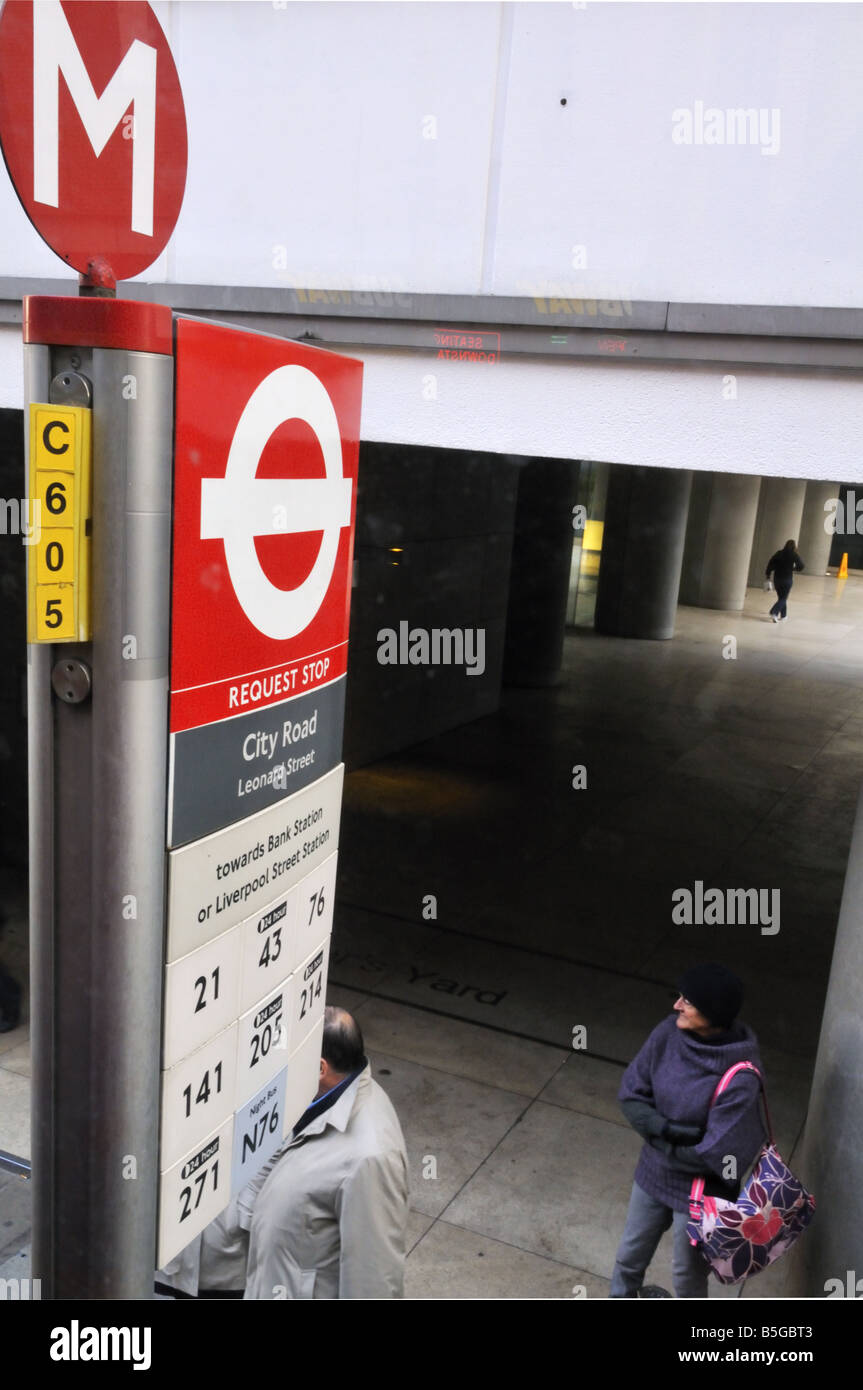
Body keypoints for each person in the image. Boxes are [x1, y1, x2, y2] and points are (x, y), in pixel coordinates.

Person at [610, 964, 765, 1299]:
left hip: (702, 1192)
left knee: (687, 1278)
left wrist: (656, 1138)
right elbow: (631, 1094)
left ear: (712, 1014)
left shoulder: (741, 1074)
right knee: (628, 1258)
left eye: (688, 1002)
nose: (676, 1005)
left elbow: (717, 1155)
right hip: (653, 1174)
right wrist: (668, 1130)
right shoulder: (668, 1033)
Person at [240, 1006, 409, 1299]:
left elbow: (374, 1279)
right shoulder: (325, 1096)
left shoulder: (370, 1159)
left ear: (320, 1069)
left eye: (291, 1054)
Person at [765, 538, 804, 622]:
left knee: (781, 597)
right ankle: (774, 612)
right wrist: (794, 569)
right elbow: (801, 566)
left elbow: (770, 563)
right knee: (783, 598)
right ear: (794, 546)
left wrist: (768, 574)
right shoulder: (794, 555)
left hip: (777, 579)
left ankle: (784, 616)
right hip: (787, 579)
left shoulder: (779, 553)